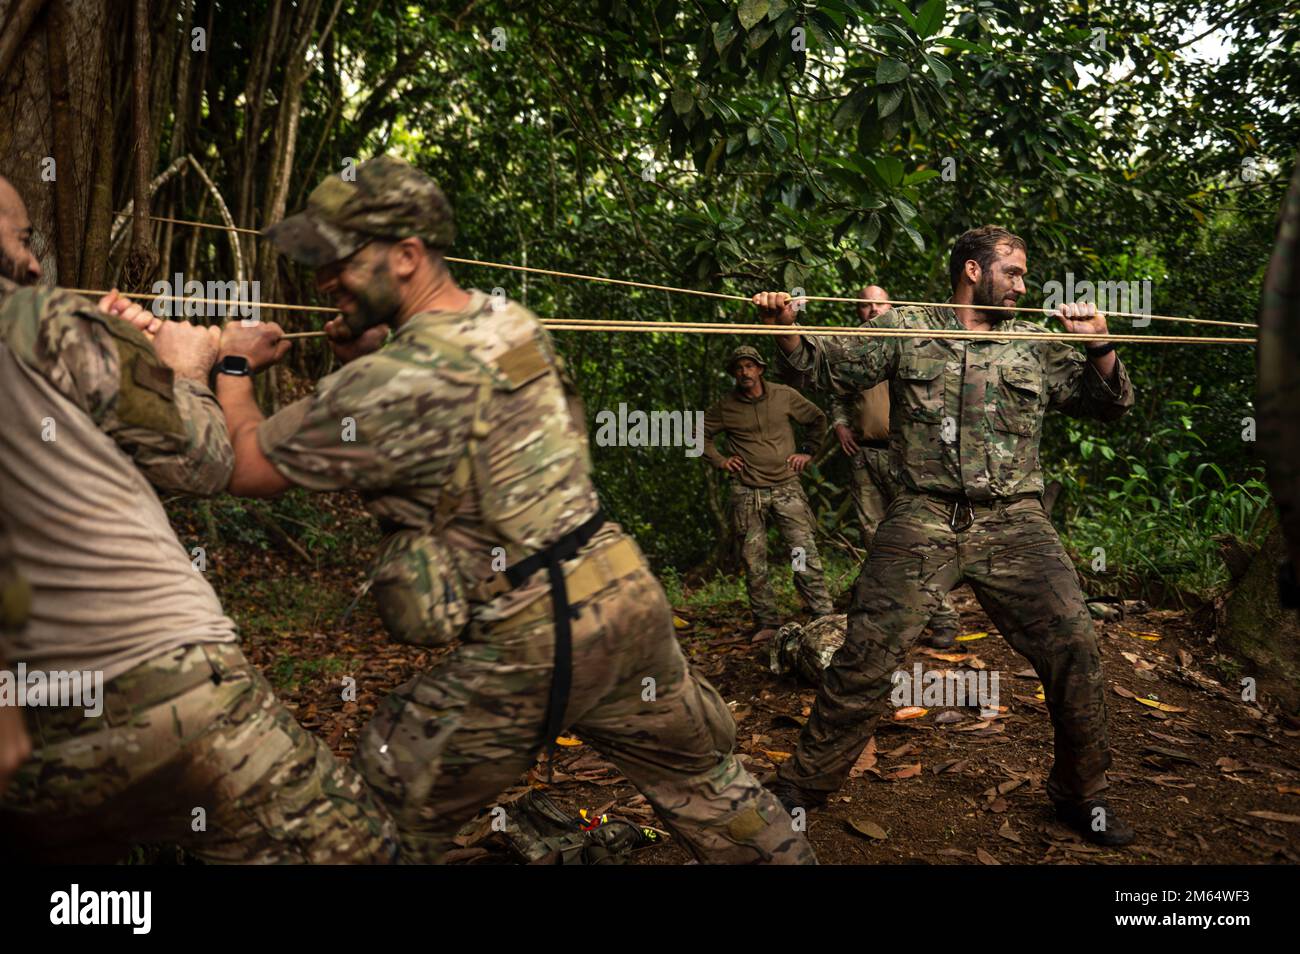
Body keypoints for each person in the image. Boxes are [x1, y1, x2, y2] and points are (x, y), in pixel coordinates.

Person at [212, 154, 815, 864]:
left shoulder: (384, 380)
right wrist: (372, 345)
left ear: (406, 256)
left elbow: (247, 463)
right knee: (707, 782)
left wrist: (231, 366)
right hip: (624, 594)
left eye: (336, 261)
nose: (321, 281)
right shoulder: (511, 321)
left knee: (380, 801)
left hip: (535, 634)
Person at [0, 176, 398, 863]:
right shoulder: (38, 321)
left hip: (39, 733)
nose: (34, 262)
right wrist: (193, 368)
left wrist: (119, 359)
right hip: (164, 687)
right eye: (18, 237)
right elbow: (220, 464)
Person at [755, 225, 1138, 847]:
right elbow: (827, 364)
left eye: (1022, 274)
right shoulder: (908, 328)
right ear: (970, 271)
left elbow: (1110, 406)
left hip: (1015, 520)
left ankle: (1081, 794)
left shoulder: (1037, 343)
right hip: (923, 514)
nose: (1022, 284)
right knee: (866, 652)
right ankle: (804, 785)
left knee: (1076, 642)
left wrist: (1099, 346)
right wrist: (787, 327)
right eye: (1012, 272)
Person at [830, 284, 961, 649]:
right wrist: (839, 424)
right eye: (864, 305)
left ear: (892, 306)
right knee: (875, 538)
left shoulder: (913, 340)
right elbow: (838, 390)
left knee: (918, 537)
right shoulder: (855, 347)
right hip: (864, 454)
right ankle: (893, 619)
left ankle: (944, 616)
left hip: (907, 456)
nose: (871, 310)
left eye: (878, 304)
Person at [702, 345, 835, 642]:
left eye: (750, 366)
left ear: (760, 369)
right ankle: (767, 622)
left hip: (786, 485)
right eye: (739, 368)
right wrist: (722, 460)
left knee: (801, 550)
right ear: (733, 374)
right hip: (747, 490)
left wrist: (808, 452)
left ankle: (821, 613)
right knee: (753, 558)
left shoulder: (783, 395)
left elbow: (817, 418)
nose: (744, 372)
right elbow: (699, 434)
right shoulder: (726, 406)